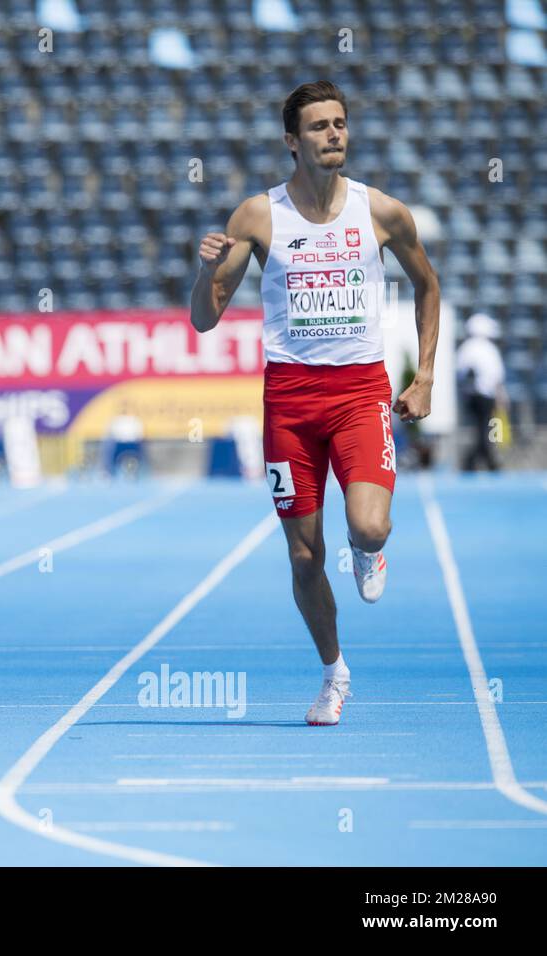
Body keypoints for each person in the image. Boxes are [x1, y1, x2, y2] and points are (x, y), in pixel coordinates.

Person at [189, 80, 440, 726]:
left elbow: (427, 285)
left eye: (340, 124)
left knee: (369, 525)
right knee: (303, 556)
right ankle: (334, 673)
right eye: (319, 126)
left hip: (360, 394)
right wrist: (203, 270)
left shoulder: (381, 212)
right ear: (291, 141)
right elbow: (205, 319)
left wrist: (425, 376)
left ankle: (368, 547)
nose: (334, 135)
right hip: (290, 403)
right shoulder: (257, 216)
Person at [454, 312, 508, 471]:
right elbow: (497, 378)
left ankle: (480, 458)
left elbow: (460, 372)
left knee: (481, 429)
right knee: (484, 429)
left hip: (471, 396)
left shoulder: (466, 348)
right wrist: (501, 397)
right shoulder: (490, 349)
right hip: (485, 397)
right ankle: (484, 459)